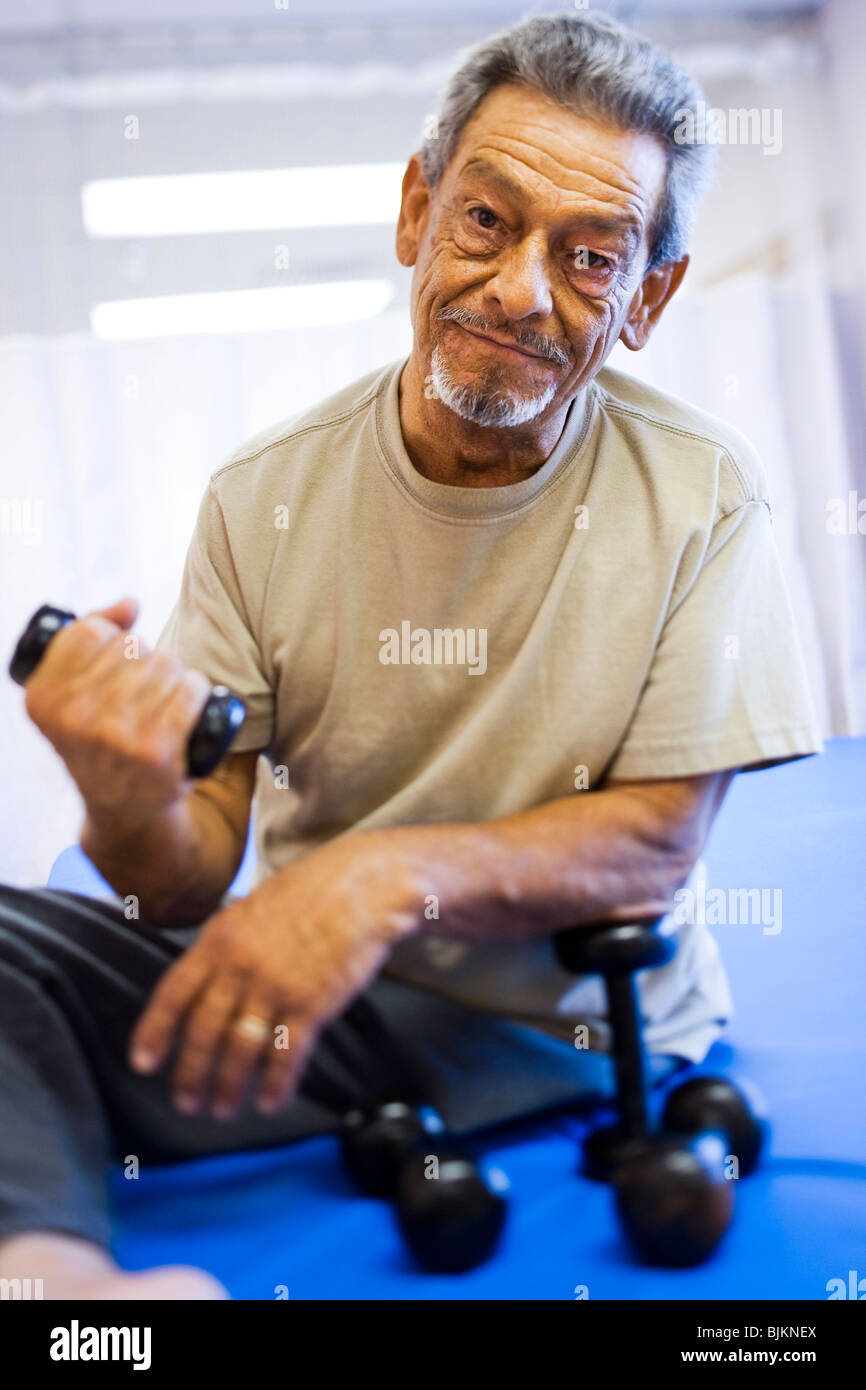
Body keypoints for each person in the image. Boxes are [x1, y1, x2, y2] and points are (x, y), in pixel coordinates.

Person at [0, 10, 823, 1299]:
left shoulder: (708, 494)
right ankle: (57, 1291)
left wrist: (368, 884)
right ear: (416, 212)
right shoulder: (259, 494)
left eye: (592, 256)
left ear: (650, 297)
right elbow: (178, 883)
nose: (518, 291)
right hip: (322, 1006)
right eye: (487, 221)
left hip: (573, 1032)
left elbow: (653, 844)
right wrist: (127, 795)